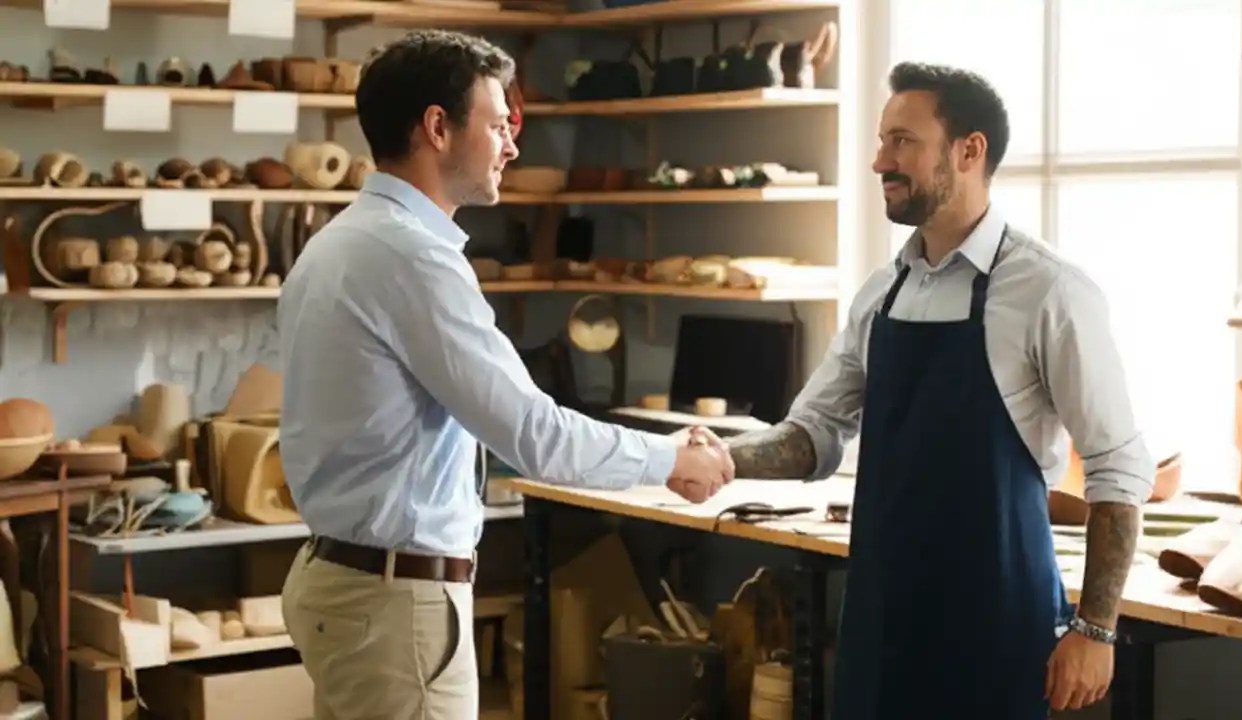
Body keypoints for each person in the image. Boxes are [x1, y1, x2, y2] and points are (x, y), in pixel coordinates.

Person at [275, 29, 732, 720]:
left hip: (348, 587)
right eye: (496, 126)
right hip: (395, 607)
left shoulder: (336, 243)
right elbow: (534, 435)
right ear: (437, 128)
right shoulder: (413, 259)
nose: (512, 147)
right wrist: (669, 459)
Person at [692, 62, 1154, 717]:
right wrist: (721, 457)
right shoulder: (882, 293)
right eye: (882, 141)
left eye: (903, 141)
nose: (880, 161)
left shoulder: (1049, 291)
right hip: (880, 625)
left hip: (997, 626)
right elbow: (814, 434)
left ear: (970, 151)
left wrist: (1096, 628)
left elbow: (1118, 467)